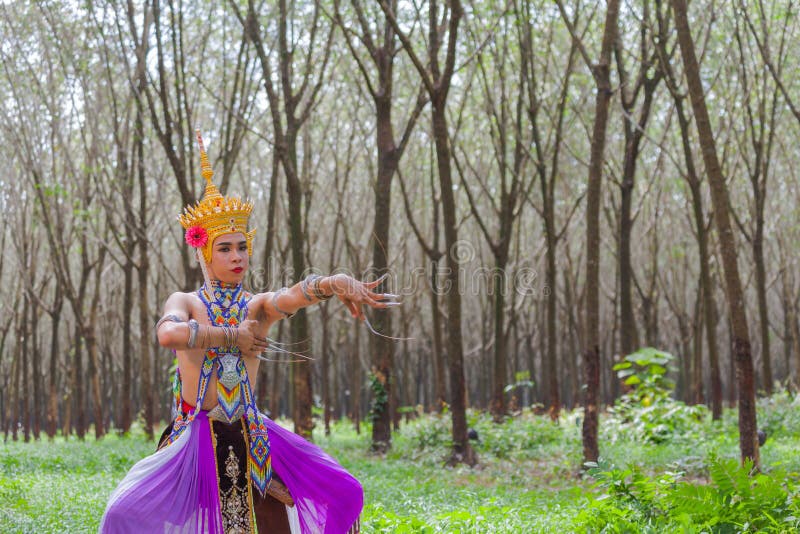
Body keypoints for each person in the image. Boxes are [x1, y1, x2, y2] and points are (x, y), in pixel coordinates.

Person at [100, 131, 398, 533]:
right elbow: (167, 335)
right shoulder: (185, 301)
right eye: (224, 248)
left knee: (343, 490)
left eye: (241, 246)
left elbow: (290, 297)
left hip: (251, 433)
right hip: (195, 436)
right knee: (122, 513)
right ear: (205, 252)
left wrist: (331, 282)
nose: (236, 255)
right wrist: (229, 338)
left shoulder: (254, 307)